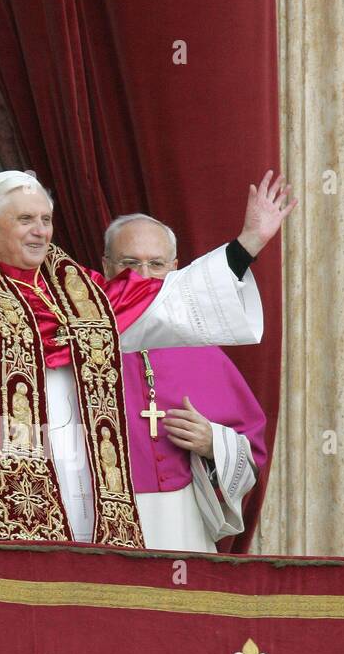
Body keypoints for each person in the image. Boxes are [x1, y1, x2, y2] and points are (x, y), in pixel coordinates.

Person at [0, 151, 294, 546]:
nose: (41, 230)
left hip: (71, 484)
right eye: (26, 219)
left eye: (46, 219)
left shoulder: (79, 291)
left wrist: (247, 245)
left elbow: (163, 300)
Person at [102, 213, 268, 551]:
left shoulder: (203, 349)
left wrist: (212, 443)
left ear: (176, 268)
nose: (143, 276)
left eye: (156, 264)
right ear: (106, 266)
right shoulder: (81, 342)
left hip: (182, 517)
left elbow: (253, 451)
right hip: (98, 511)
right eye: (129, 263)